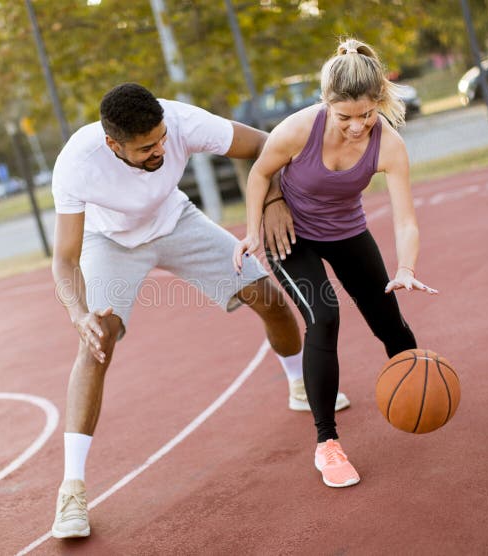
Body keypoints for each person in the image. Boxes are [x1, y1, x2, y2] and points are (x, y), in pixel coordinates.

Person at [49, 83, 350, 538]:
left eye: (161, 138)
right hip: (109, 242)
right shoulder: (77, 163)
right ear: (113, 145)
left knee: (268, 298)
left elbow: (267, 145)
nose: (160, 149)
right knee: (96, 343)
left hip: (176, 220)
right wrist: (78, 312)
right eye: (145, 148)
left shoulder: (181, 121)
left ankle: (297, 386)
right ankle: (71, 490)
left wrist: (271, 201)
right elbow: (65, 259)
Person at [234, 38, 438, 489]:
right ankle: (327, 444)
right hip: (292, 239)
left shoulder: (389, 144)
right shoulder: (298, 129)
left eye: (367, 114)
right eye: (345, 117)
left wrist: (406, 269)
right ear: (326, 104)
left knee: (391, 324)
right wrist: (253, 229)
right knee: (323, 317)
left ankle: (418, 390)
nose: (357, 126)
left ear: (379, 100)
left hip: (347, 232)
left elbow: (405, 219)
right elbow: (259, 172)